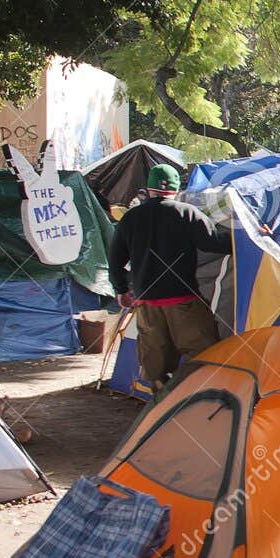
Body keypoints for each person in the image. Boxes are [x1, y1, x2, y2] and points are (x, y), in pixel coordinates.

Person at [108, 163, 228, 389]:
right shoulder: (188, 213)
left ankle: (161, 409)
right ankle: (197, 403)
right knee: (204, 356)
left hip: (146, 303)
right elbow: (213, 243)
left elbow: (115, 259)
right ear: (175, 189)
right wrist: (251, 237)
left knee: (155, 365)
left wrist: (121, 290)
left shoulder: (131, 218)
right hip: (183, 300)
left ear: (149, 188)